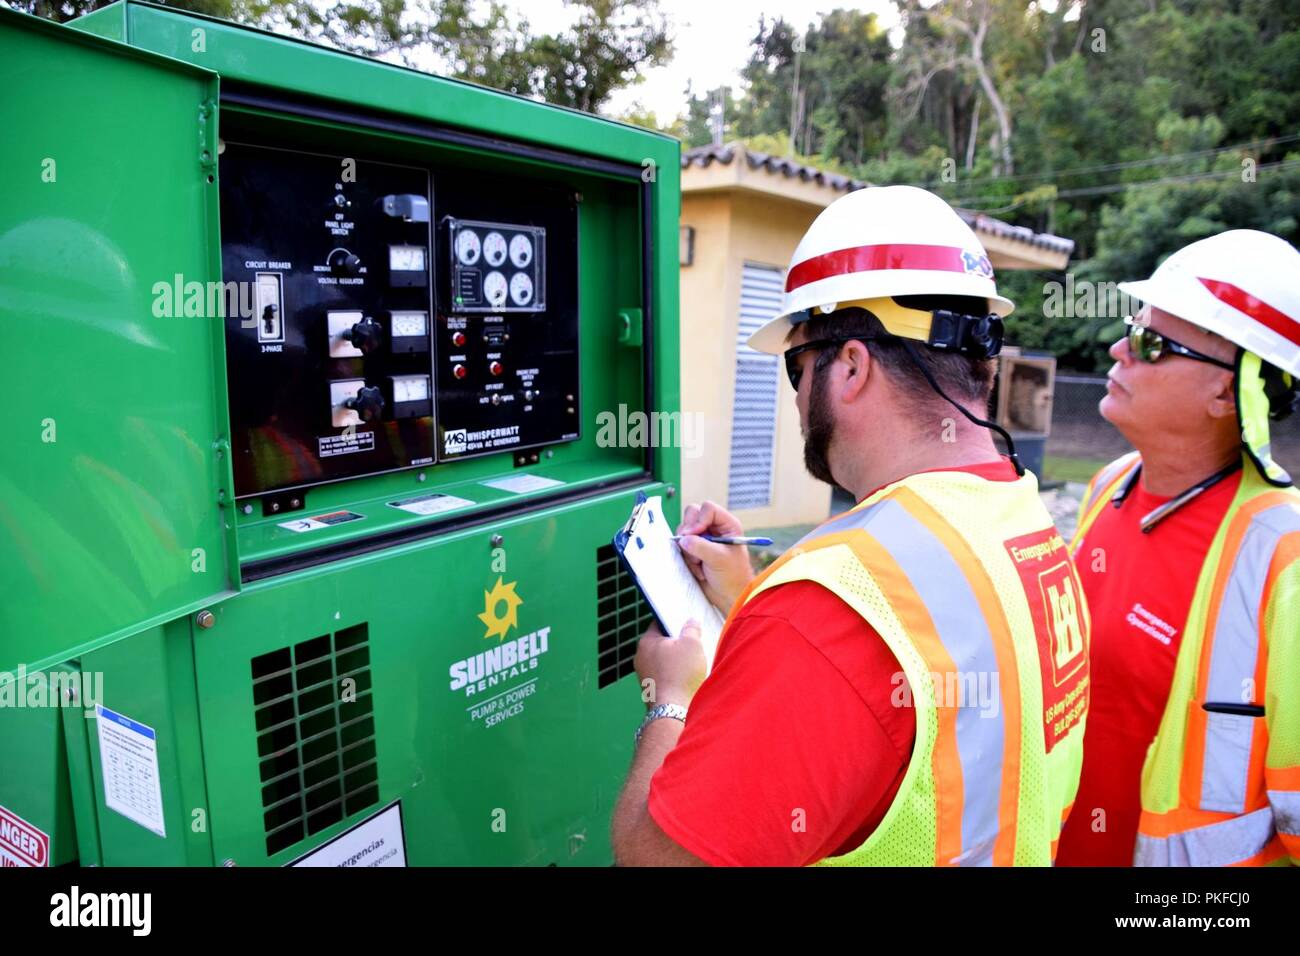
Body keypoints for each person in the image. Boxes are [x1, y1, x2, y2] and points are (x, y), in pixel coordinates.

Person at [610, 185, 1090, 866]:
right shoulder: (1028, 524)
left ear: (852, 365)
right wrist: (748, 601)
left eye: (796, 366)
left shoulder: (822, 613)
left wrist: (671, 698)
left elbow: (653, 859)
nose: (798, 397)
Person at [1057, 230, 1300, 867]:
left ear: (1229, 393)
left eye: (1151, 344)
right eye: (1131, 329)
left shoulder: (1284, 556)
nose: (1118, 349)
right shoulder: (1109, 485)